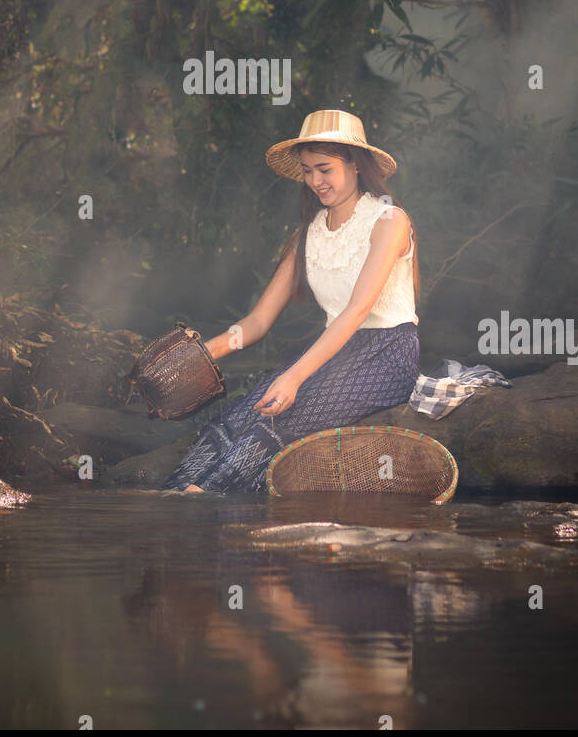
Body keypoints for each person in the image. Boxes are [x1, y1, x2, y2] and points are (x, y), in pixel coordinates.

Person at [163, 109, 421, 493]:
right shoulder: (307, 235)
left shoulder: (389, 221)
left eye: (324, 168)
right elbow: (258, 321)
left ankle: (212, 514)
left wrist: (294, 376)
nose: (315, 181)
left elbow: (357, 310)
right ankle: (174, 498)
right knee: (235, 420)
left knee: (275, 425)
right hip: (335, 352)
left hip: (387, 353)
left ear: (354, 164)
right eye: (307, 171)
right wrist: (199, 356)